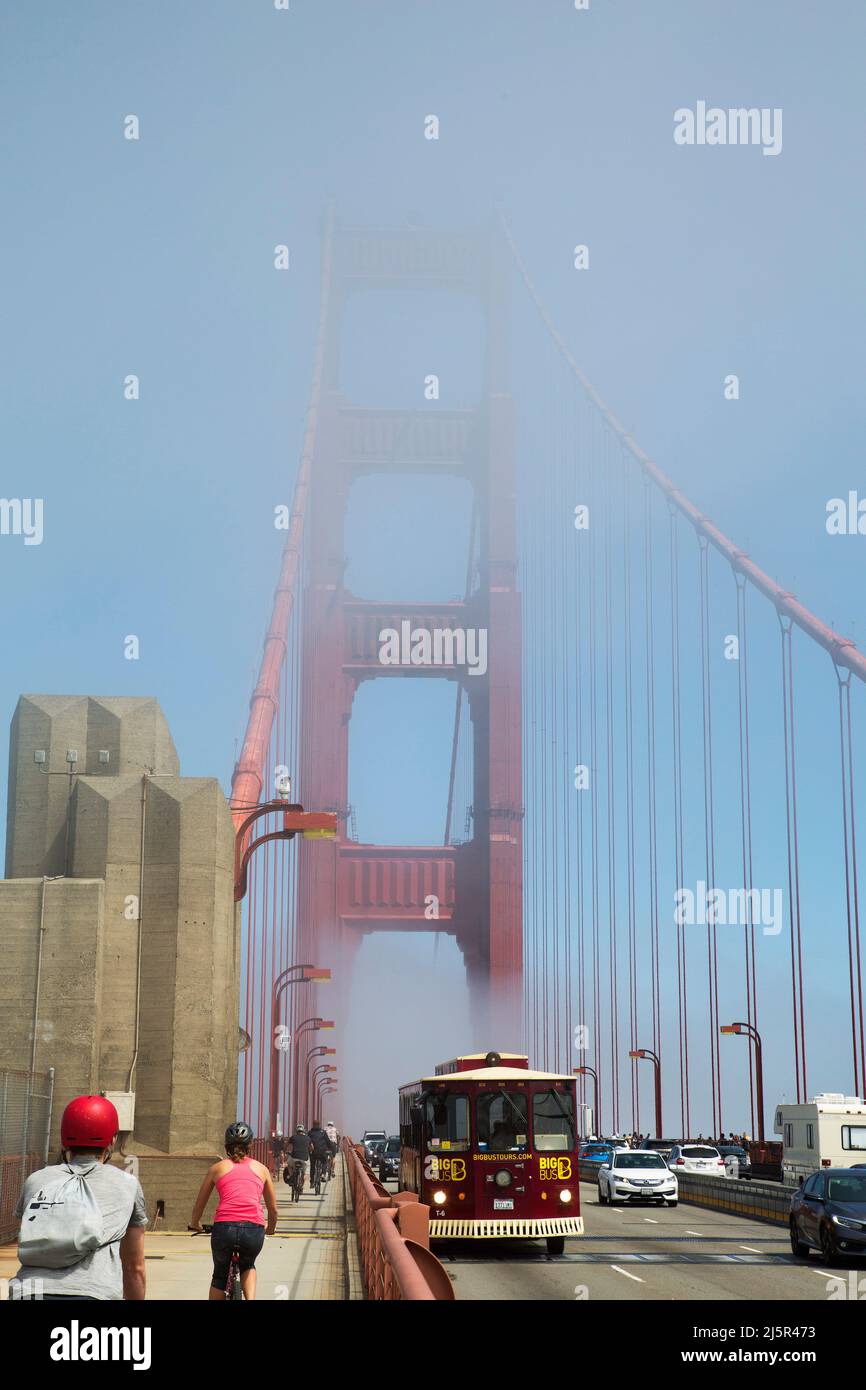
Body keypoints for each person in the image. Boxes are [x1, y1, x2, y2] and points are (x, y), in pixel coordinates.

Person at [12, 1094, 147, 1301]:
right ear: (112, 1139)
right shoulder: (126, 1184)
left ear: (64, 1138)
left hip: (29, 1292)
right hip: (93, 1293)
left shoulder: (36, 1180)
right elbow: (134, 1267)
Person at [190, 1121, 277, 1301]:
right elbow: (273, 1209)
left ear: (226, 1146)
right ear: (251, 1145)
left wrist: (195, 1223)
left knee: (220, 1276)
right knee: (248, 1265)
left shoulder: (216, 1169)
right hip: (253, 1230)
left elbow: (200, 1203)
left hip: (224, 1229)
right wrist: (271, 1227)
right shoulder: (262, 1170)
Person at [284, 1123, 313, 1192]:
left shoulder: (293, 1137)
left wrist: (284, 1150)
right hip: (304, 1158)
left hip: (294, 1157)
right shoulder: (308, 1138)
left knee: (289, 1165)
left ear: (297, 1130)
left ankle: (291, 1176)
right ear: (303, 1131)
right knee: (305, 1173)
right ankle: (301, 1187)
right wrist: (311, 1151)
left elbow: (286, 1144)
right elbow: (312, 1147)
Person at [308, 1120, 336, 1187]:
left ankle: (312, 1182)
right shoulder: (323, 1132)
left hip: (313, 1153)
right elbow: (328, 1142)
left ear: (313, 1124)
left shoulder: (309, 1132)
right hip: (322, 1152)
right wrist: (331, 1149)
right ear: (319, 1125)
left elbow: (307, 1142)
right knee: (324, 1161)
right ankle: (323, 1174)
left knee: (312, 1166)